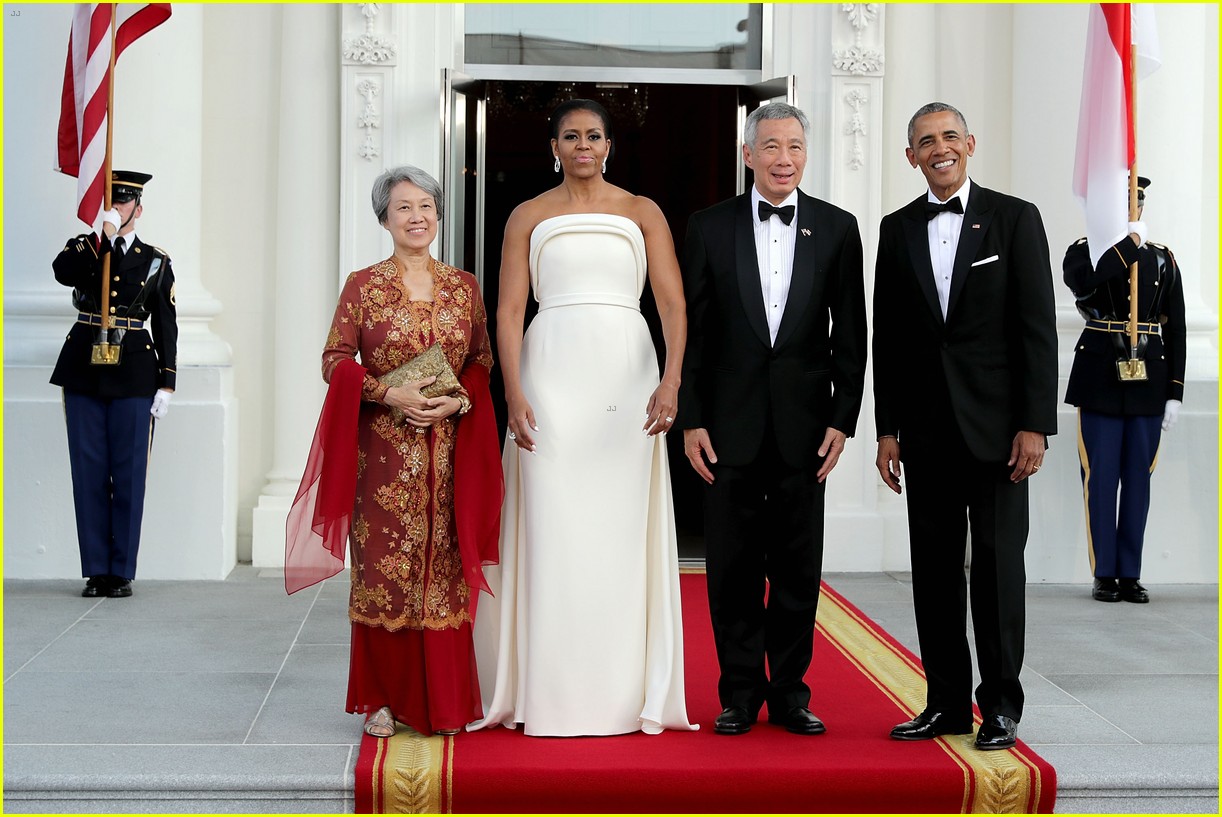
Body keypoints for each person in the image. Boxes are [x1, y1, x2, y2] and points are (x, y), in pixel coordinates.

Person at [471, 98, 696, 736]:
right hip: (550, 377)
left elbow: (674, 306)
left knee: (619, 533)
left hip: (627, 382)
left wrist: (670, 380)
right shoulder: (527, 215)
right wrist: (512, 392)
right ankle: (548, 691)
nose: (583, 146)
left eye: (593, 135)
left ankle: (622, 693)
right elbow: (508, 312)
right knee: (552, 529)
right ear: (554, 146)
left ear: (609, 144)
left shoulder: (641, 211)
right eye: (571, 136)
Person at [286, 165, 502, 739]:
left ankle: (445, 701)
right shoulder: (364, 286)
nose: (417, 217)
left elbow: (480, 360)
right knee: (385, 571)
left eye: (427, 206)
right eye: (404, 207)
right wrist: (388, 393)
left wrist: (455, 404)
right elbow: (335, 360)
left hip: (450, 452)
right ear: (384, 218)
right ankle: (380, 699)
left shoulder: (464, 287)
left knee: (446, 569)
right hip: (381, 457)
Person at [677, 102, 867, 737]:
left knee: (795, 571)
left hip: (806, 430)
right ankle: (738, 695)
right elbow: (692, 333)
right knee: (730, 571)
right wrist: (692, 417)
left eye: (795, 147)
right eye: (772, 147)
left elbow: (852, 333)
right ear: (748, 153)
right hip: (726, 429)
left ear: (806, 155)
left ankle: (790, 694)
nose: (785, 159)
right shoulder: (707, 227)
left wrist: (844, 417)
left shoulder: (838, 228)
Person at [872, 102, 1058, 750]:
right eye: (925, 141)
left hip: (1001, 434)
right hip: (925, 433)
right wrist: (887, 429)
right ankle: (946, 702)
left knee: (1000, 569)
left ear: (970, 144)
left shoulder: (1015, 218)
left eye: (949, 136)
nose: (939, 148)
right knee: (934, 571)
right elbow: (887, 338)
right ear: (911, 156)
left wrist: (1035, 424)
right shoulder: (895, 229)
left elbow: (1037, 330)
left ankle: (1001, 706)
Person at [51, 170, 178, 599]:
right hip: (84, 369)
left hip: (135, 371)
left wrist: (167, 384)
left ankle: (120, 570)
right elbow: (63, 273)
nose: (116, 208)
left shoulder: (156, 260)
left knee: (128, 473)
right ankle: (95, 570)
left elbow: (165, 325)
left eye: (123, 203)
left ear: (138, 209)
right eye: (111, 202)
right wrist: (100, 233)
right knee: (87, 472)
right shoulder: (85, 249)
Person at [1063, 176, 1186, 604]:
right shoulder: (1085, 251)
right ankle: (1106, 572)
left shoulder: (1164, 260)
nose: (1134, 206)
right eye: (1124, 201)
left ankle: (1130, 572)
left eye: (1137, 200)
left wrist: (1175, 391)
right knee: (1100, 478)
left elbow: (1178, 329)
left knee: (1138, 478)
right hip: (1100, 376)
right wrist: (1129, 243)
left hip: (1148, 379)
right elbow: (1086, 283)